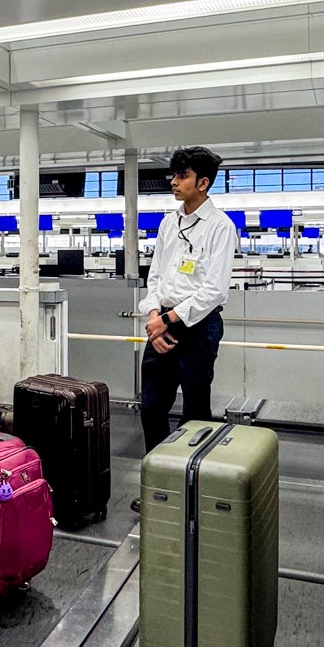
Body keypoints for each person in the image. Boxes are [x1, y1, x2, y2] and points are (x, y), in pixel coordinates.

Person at [138, 147, 238, 450]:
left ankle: (190, 484)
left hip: (199, 328)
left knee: (195, 415)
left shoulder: (220, 226)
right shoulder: (169, 223)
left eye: (182, 176)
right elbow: (155, 277)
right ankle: (158, 477)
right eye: (174, 175)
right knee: (151, 407)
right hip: (162, 324)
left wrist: (166, 320)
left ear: (203, 183)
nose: (174, 181)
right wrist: (155, 316)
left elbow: (214, 290)